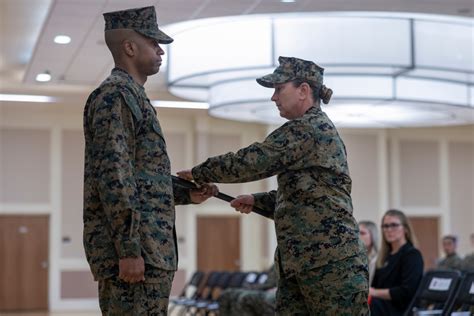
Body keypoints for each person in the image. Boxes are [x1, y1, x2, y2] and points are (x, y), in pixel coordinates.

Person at [178, 56, 369, 315]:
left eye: (279, 89)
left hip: (330, 266)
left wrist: (201, 171)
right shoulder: (308, 131)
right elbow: (306, 197)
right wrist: (258, 201)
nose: (274, 97)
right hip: (303, 263)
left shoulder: (308, 129)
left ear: (303, 90)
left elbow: (254, 160)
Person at [83, 6, 217, 314]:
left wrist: (187, 193)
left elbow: (141, 177)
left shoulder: (135, 97)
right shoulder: (115, 96)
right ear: (129, 47)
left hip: (152, 249)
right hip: (137, 253)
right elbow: (115, 177)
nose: (160, 50)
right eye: (153, 43)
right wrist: (129, 249)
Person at [370, 209, 424, 316]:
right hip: (380, 306)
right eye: (385, 226)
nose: (389, 229)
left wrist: (374, 293)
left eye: (394, 225)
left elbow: (406, 291)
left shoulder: (412, 254)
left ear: (405, 229)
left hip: (400, 310)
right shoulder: (383, 257)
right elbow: (374, 286)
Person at [359, 220, 379, 285]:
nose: (358, 236)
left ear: (373, 235)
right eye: (356, 232)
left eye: (362, 233)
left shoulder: (379, 258)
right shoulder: (354, 257)